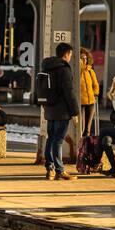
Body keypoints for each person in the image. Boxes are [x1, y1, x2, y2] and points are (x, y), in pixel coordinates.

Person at [38, 41, 79, 181]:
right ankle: (60, 171)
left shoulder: (47, 67)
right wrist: (75, 112)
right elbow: (69, 92)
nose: (70, 57)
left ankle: (49, 169)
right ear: (66, 54)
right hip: (62, 111)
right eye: (70, 54)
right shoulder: (64, 69)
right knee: (58, 140)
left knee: (51, 138)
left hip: (49, 109)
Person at [79, 47, 99, 136]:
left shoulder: (90, 71)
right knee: (81, 127)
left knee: (87, 128)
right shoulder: (77, 72)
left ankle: (86, 146)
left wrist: (95, 94)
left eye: (85, 58)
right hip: (80, 102)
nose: (84, 60)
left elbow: (95, 85)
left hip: (90, 102)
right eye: (82, 58)